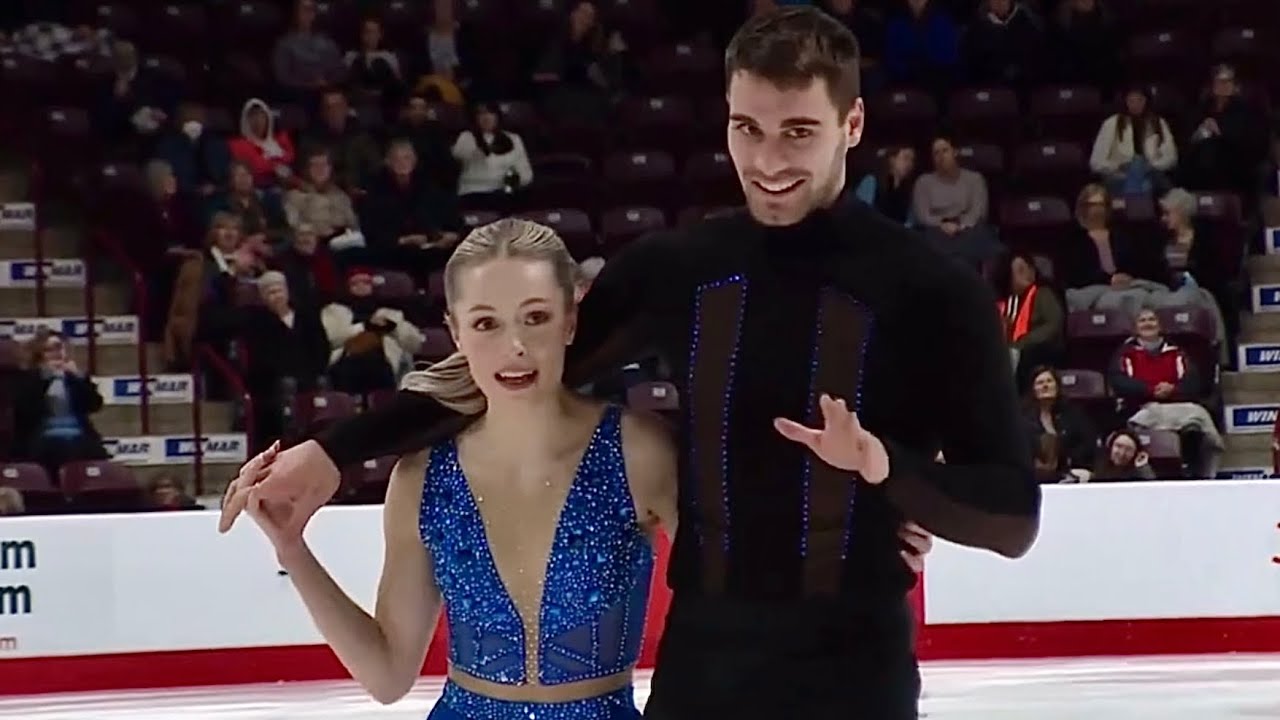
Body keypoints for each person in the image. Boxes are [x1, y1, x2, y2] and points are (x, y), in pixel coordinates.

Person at [222, 8, 1039, 718]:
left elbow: (1011, 518)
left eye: (799, 131)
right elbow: (515, 370)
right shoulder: (679, 268)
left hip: (855, 674)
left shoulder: (934, 292)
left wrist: (882, 466)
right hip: (702, 675)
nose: (768, 159)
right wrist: (334, 453)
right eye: (746, 128)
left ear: (852, 125)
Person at [241, 218, 675, 718]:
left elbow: (724, 615)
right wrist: (292, 550)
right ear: (455, 331)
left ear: (570, 320)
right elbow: (387, 676)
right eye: (487, 323)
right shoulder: (424, 475)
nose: (515, 347)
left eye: (535, 317)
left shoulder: (638, 451)